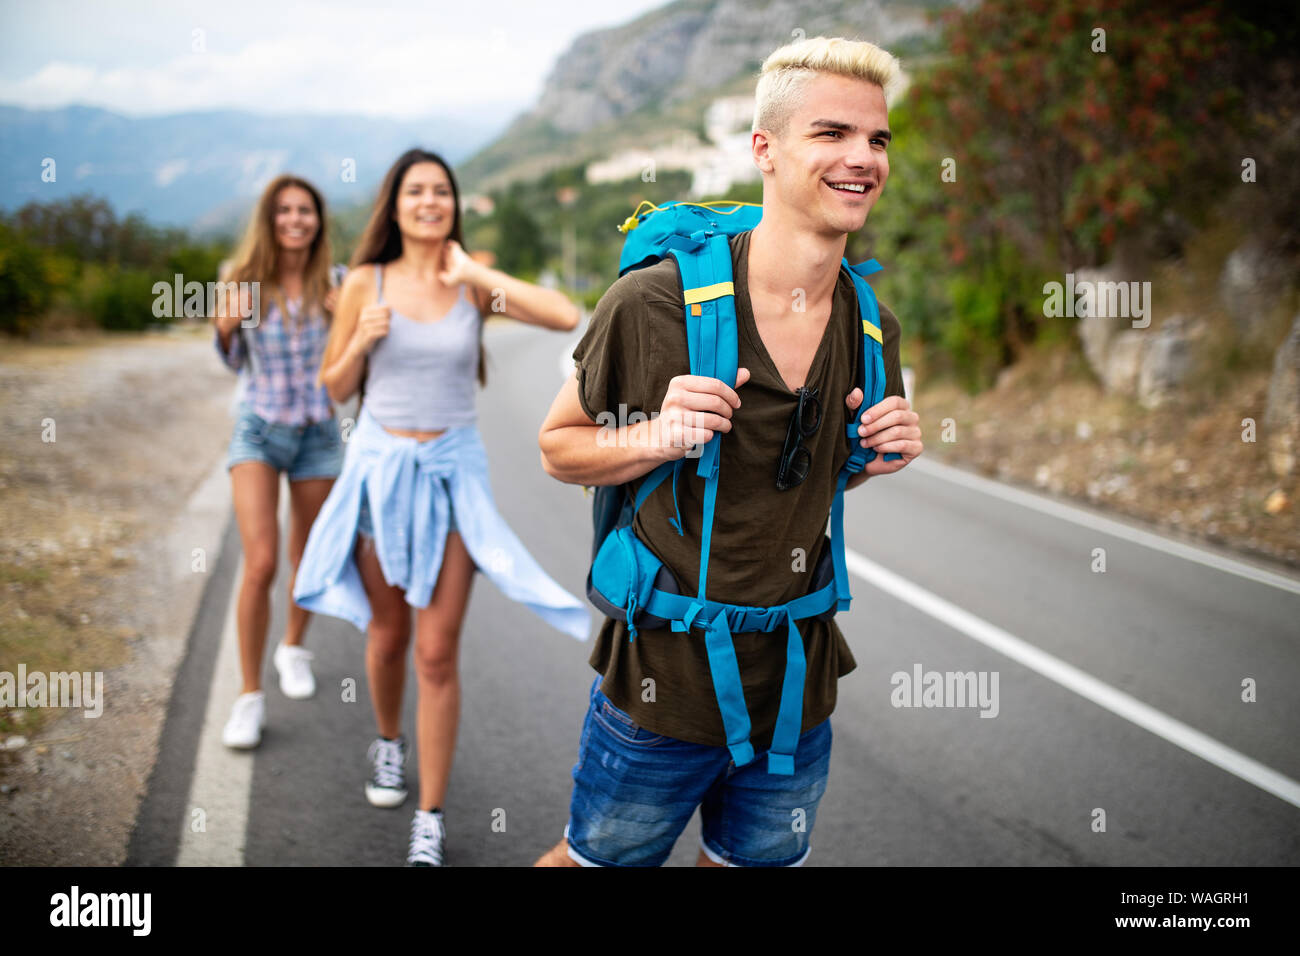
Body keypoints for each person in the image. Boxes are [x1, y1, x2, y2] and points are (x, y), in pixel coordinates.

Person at [534, 36, 924, 867]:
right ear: (764, 150)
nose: (863, 158)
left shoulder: (872, 327)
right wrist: (654, 435)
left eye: (878, 139)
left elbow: (812, 477)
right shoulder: (651, 304)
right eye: (832, 134)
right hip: (660, 690)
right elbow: (558, 447)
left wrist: (875, 455)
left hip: (795, 691)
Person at [293, 148, 590, 866]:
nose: (429, 202)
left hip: (454, 476)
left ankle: (430, 814)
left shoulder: (469, 285)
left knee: (435, 650)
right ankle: (388, 741)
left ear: (453, 205)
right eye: (415, 192)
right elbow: (332, 390)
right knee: (390, 637)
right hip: (380, 473)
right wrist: (359, 343)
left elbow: (565, 314)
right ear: (394, 206)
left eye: (441, 192)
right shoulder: (364, 282)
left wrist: (477, 274)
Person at [212, 174, 344, 750]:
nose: (295, 219)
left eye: (305, 210)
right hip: (259, 430)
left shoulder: (336, 283)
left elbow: (351, 361)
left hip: (318, 433)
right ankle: (248, 696)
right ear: (269, 218)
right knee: (261, 560)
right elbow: (230, 359)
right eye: (285, 210)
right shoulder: (239, 279)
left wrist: (347, 319)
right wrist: (223, 326)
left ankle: (292, 646)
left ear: (318, 220)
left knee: (307, 556)